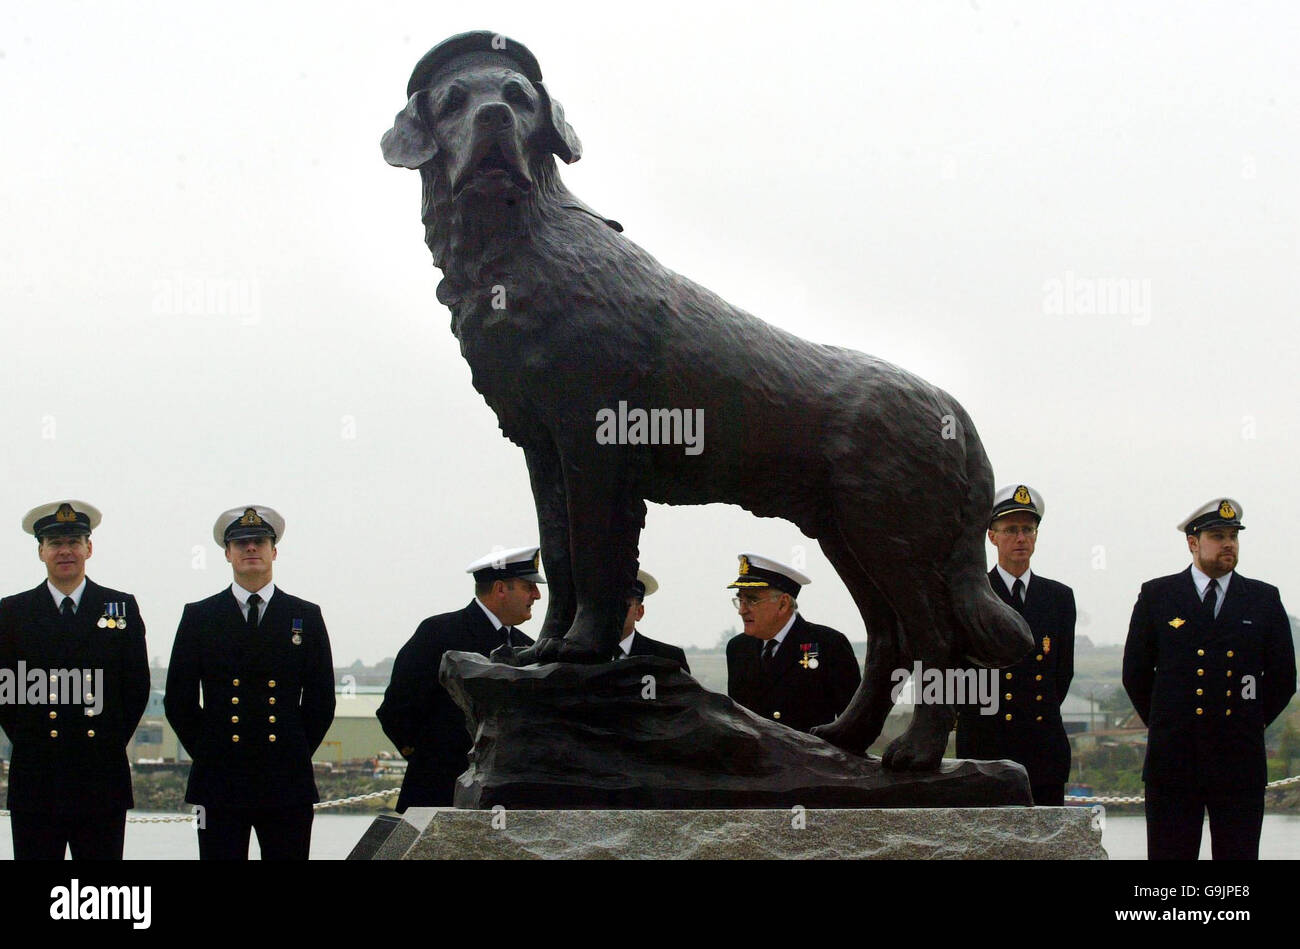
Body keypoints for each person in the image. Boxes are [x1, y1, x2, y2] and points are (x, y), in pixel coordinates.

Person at [1123, 498, 1296, 860]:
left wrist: (1249, 721)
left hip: (1238, 760)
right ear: (1193, 542)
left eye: (1233, 536)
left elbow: (1282, 678)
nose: (1228, 544)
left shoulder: (1263, 599)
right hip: (1174, 760)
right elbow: (1136, 673)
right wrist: (1168, 719)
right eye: (1218, 536)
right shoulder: (1158, 596)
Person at [164, 505, 335, 860]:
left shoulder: (305, 615)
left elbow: (321, 701)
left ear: (274, 550)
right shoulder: (200, 616)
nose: (251, 549)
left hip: (286, 779)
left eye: (259, 541)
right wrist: (212, 752)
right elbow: (178, 701)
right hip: (219, 781)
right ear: (227, 553)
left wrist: (294, 750)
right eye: (241, 543)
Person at [0, 501, 150, 859]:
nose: (65, 550)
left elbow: (135, 688)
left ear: (89, 548)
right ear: (41, 551)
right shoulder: (12, 612)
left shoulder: (119, 607)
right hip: (37, 778)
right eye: (54, 543)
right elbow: (5, 691)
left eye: (73, 541)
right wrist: (32, 739)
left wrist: (107, 742)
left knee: (99, 901)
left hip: (100, 777)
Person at [377, 545, 542, 810]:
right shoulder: (439, 633)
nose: (537, 595)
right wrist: (430, 759)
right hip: (439, 792)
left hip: (507, 798)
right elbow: (397, 709)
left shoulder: (529, 648)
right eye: (528, 586)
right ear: (501, 589)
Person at [955, 484, 1076, 805]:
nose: (1020, 538)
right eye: (1010, 530)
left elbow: (1061, 675)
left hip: (1042, 747)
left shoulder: (1058, 598)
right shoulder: (971, 593)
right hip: (986, 747)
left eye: (1027, 529)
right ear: (991, 536)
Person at [725, 553, 859, 732]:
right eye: (740, 600)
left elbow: (854, 723)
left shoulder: (828, 644)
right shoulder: (738, 648)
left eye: (752, 600)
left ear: (783, 604)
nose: (742, 610)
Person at [612, 569, 690, 672]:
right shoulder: (585, 659)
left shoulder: (668, 660)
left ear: (639, 612)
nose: (612, 610)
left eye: (623, 605)